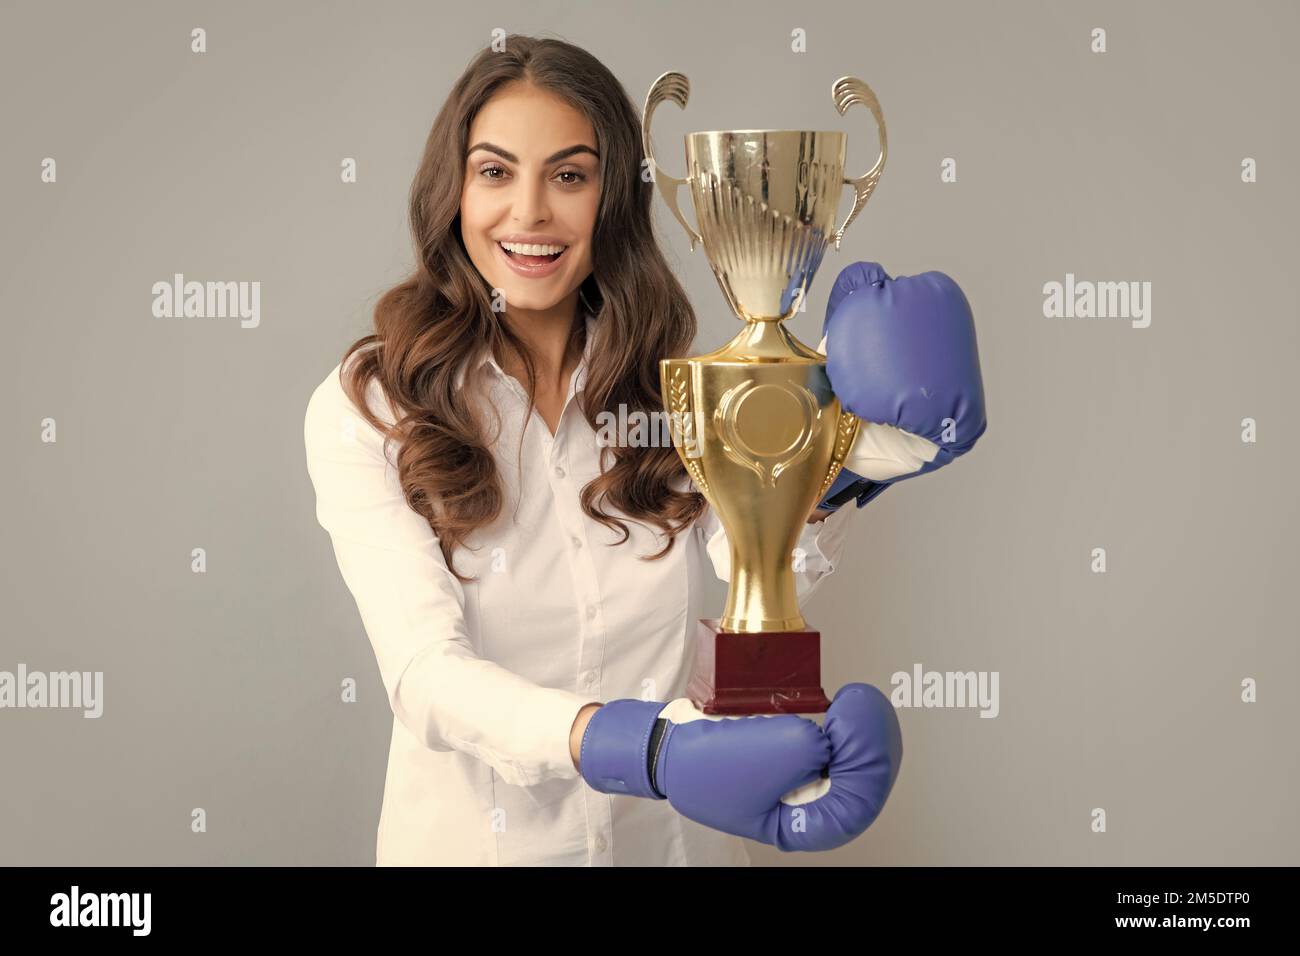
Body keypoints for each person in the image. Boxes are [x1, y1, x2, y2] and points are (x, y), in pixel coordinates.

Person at [303, 35, 984, 866]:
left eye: (569, 175)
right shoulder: (373, 402)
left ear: (612, 197)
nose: (528, 214)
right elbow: (424, 675)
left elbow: (753, 566)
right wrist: (642, 750)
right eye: (494, 171)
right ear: (453, 191)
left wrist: (847, 463)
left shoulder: (668, 386)